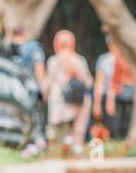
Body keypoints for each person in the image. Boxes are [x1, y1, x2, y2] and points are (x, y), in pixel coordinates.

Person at [45, 29, 93, 154]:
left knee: (56, 129)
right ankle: (76, 146)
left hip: (60, 102)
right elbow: (89, 82)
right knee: (76, 126)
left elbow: (47, 84)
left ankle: (59, 149)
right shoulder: (79, 60)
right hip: (78, 101)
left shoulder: (53, 61)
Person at [10, 25, 48, 157]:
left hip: (12, 91)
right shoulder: (34, 48)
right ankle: (34, 145)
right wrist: (43, 89)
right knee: (34, 120)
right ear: (25, 34)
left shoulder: (8, 47)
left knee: (18, 120)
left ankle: (19, 146)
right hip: (31, 90)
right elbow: (39, 69)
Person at [93, 34, 135, 140]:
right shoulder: (104, 60)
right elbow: (100, 83)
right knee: (112, 128)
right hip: (110, 97)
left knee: (125, 124)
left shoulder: (128, 59)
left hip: (127, 98)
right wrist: (97, 104)